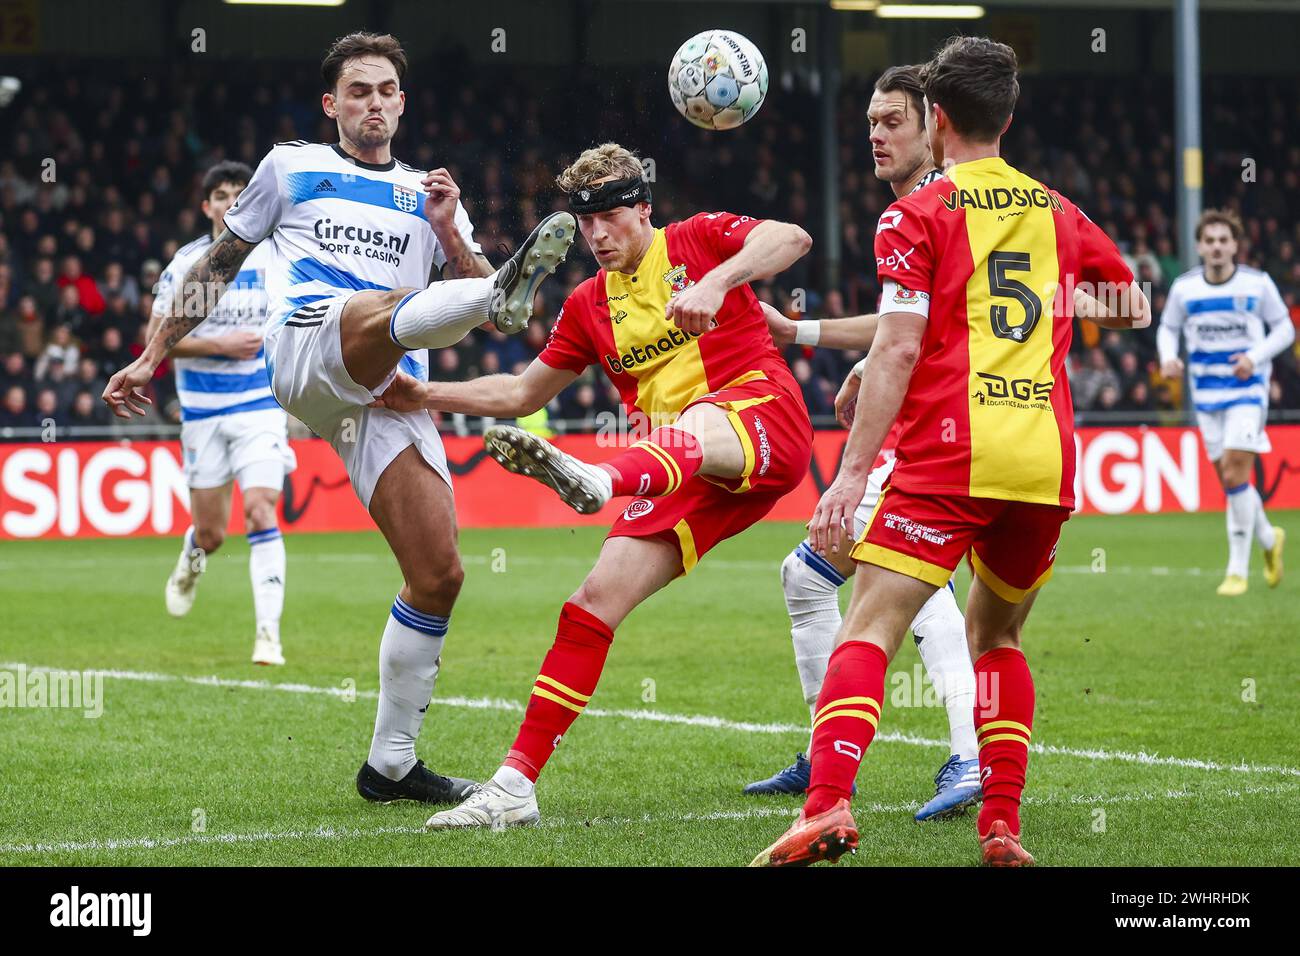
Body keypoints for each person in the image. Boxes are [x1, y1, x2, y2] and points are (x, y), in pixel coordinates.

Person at [102, 31, 573, 807]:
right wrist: (153, 355)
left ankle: (389, 765)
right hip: (307, 344)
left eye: (387, 90)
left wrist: (453, 231)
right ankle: (413, 316)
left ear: (403, 101)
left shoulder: (426, 193)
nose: (375, 103)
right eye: (358, 91)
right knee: (372, 307)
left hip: (387, 391)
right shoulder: (289, 167)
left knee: (439, 573)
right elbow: (215, 265)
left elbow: (503, 318)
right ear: (331, 104)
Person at [750, 36, 1150, 868]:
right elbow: (1134, 308)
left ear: (937, 120)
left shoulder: (918, 214)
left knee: (869, 623)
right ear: (1007, 115)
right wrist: (1058, 309)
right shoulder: (1058, 211)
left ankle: (825, 807)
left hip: (950, 455)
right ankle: (1000, 829)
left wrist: (849, 476)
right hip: (1042, 459)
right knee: (997, 640)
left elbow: (897, 349)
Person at [370, 142, 814, 830]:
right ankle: (515, 785)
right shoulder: (586, 305)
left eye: (611, 215)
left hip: (760, 417)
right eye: (585, 221)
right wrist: (425, 391)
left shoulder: (698, 239)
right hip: (677, 466)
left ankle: (599, 477)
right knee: (589, 606)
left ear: (644, 207)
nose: (598, 234)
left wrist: (718, 281)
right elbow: (521, 391)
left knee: (692, 423)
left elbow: (791, 236)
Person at [749, 66, 981, 823]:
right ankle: (834, 747)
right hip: (960, 426)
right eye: (871, 122)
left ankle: (967, 756)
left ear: (933, 126)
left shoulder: (926, 209)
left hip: (938, 430)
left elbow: (928, 337)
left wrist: (869, 375)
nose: (877, 135)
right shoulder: (948, 204)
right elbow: (908, 326)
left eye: (893, 122)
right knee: (812, 576)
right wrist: (807, 335)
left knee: (902, 580)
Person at [146, 161, 296, 666]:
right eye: (221, 195)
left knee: (260, 510)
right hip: (203, 411)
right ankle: (190, 564)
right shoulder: (188, 265)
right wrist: (221, 343)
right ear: (206, 205)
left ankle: (268, 635)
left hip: (260, 404)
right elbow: (156, 343)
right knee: (211, 535)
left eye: (240, 193)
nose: (231, 202)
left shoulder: (274, 258)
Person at [1157, 210, 1291, 596]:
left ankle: (1237, 570)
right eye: (1209, 240)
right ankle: (1269, 538)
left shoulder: (1257, 284)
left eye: (1223, 240)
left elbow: (1284, 328)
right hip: (1206, 395)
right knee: (1232, 480)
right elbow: (1168, 328)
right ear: (1200, 246)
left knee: (1234, 475)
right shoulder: (1185, 289)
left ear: (1235, 245)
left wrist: (1256, 356)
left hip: (1247, 392)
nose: (1216, 247)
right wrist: (1168, 357)